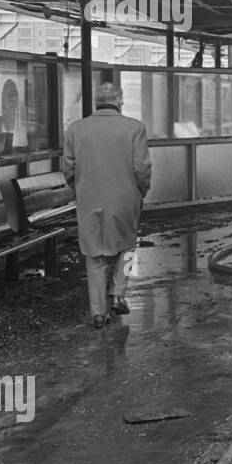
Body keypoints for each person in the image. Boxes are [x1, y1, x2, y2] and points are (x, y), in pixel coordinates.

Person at [62, 82, 152, 329]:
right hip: (125, 199)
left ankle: (98, 314)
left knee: (95, 256)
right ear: (120, 101)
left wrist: (80, 188)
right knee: (127, 247)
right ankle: (119, 294)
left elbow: (68, 168)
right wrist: (140, 191)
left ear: (96, 102)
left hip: (88, 199)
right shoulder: (134, 128)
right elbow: (142, 168)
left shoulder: (76, 129)